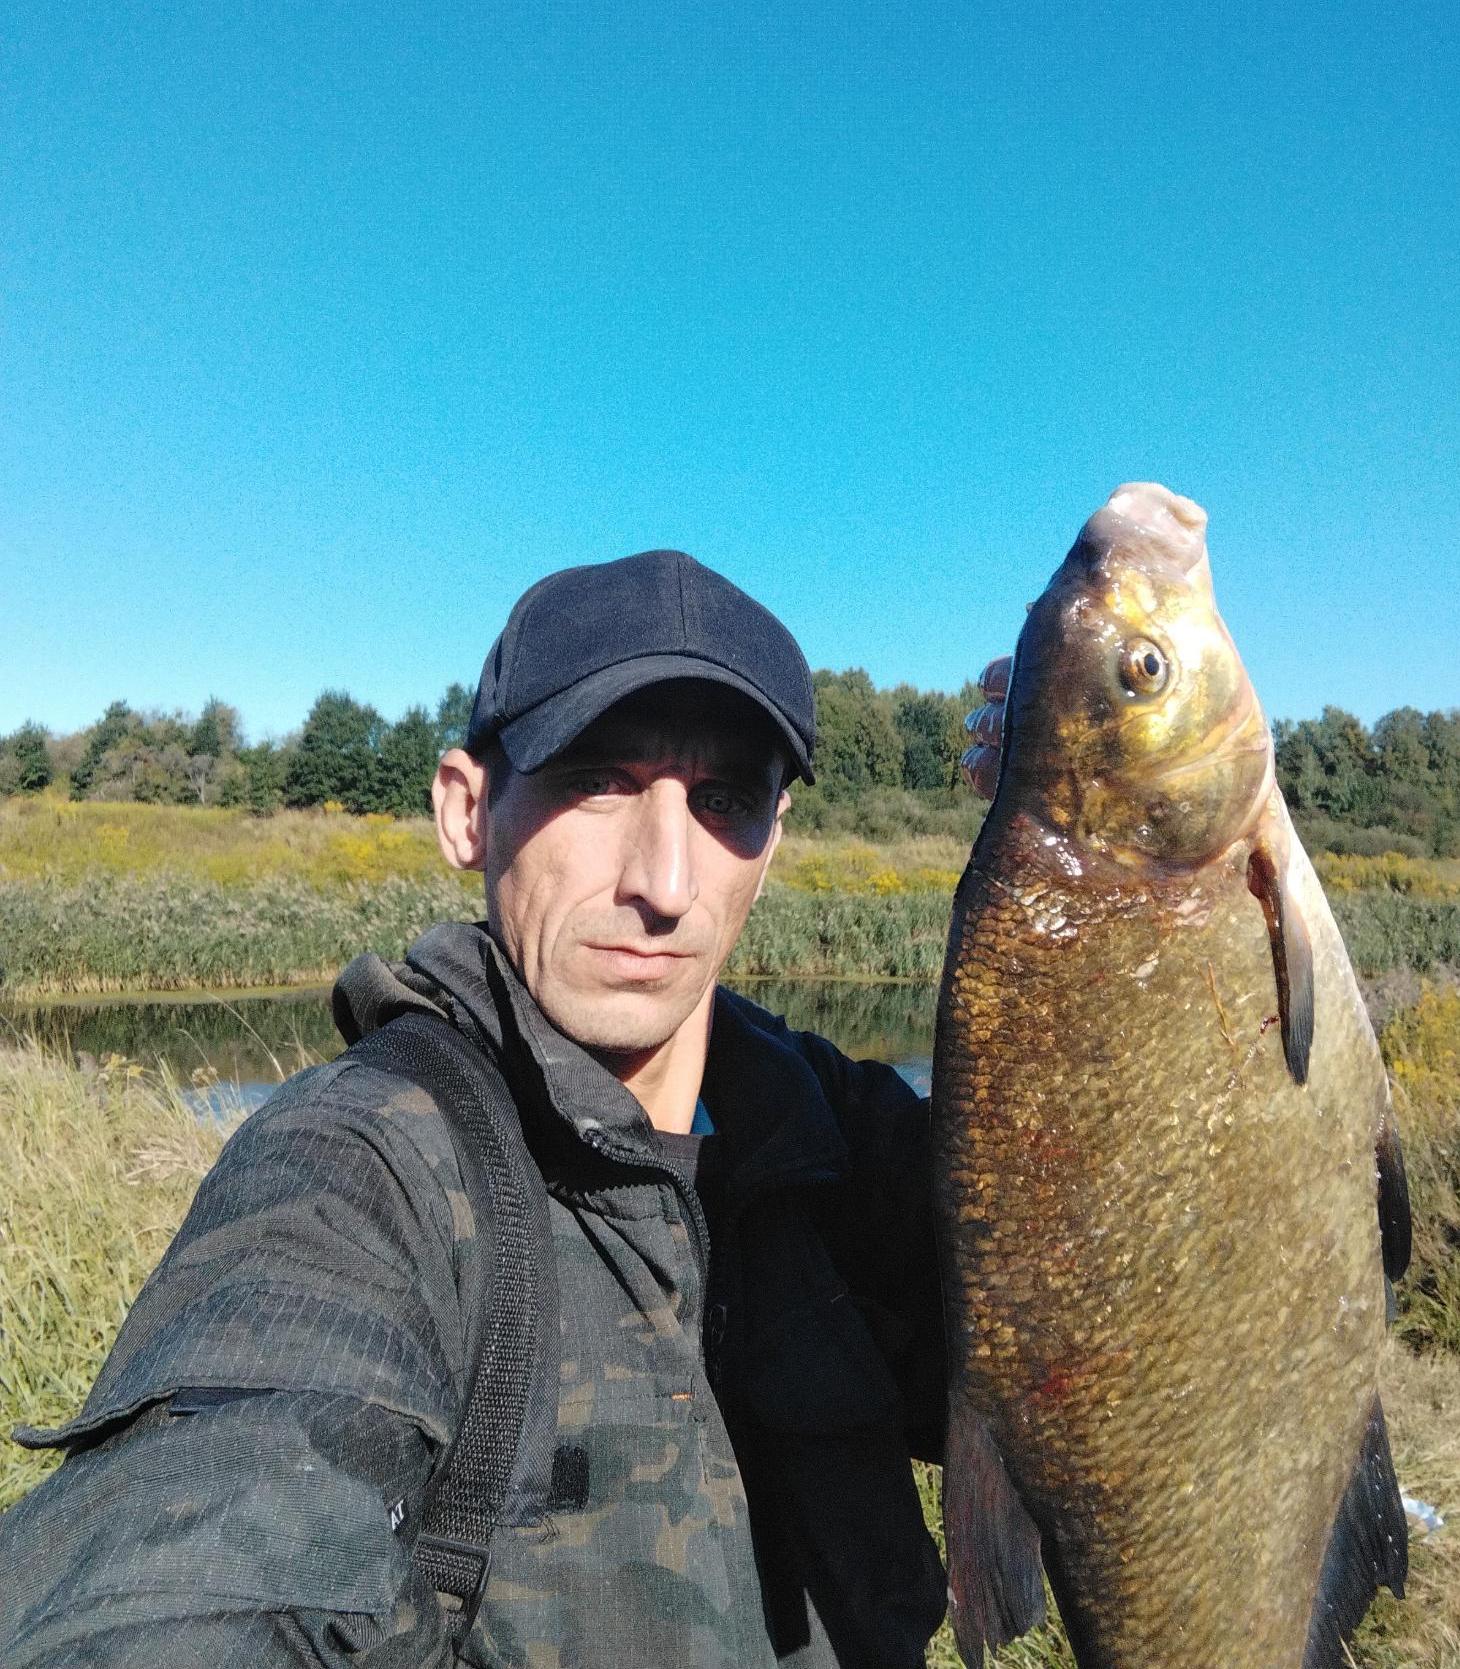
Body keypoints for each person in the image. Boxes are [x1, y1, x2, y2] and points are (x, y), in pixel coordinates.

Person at [0, 550, 949, 1669]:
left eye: (724, 799)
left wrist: (1178, 921)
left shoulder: (840, 1134)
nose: (668, 882)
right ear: (466, 810)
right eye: (599, 780)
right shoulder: (363, 1168)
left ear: (772, 841)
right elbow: (176, 1573)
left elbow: (1146, 1373)